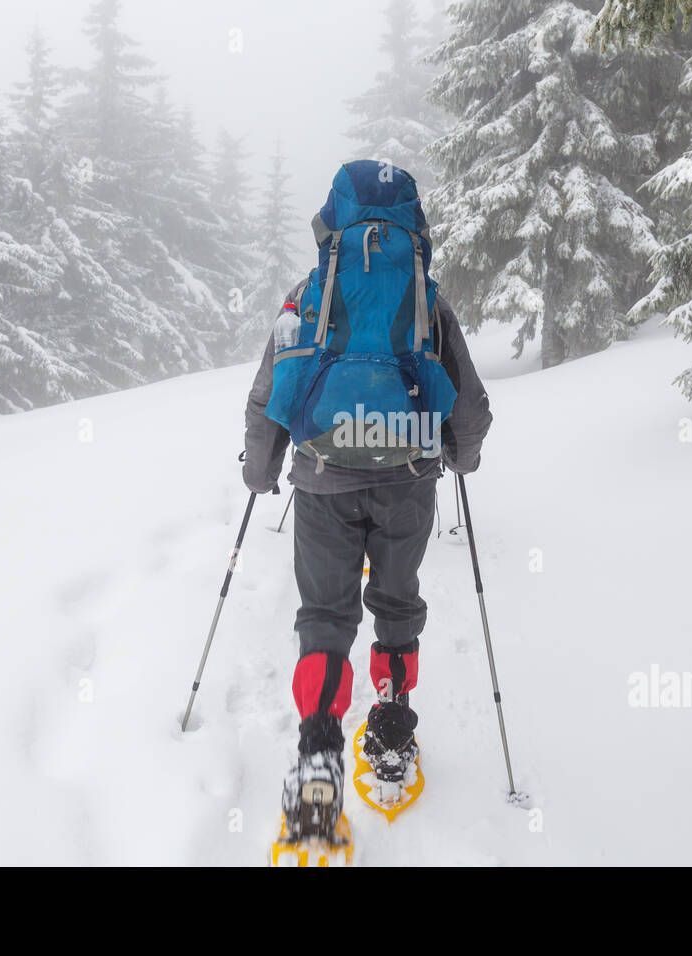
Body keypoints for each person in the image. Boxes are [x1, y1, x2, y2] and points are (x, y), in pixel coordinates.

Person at [243, 160, 491, 843]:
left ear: (333, 226)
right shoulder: (427, 301)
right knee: (396, 600)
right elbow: (468, 404)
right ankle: (389, 726)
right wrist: (460, 457)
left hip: (323, 476)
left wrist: (260, 470)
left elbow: (269, 395)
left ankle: (319, 756)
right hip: (408, 475)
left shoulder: (307, 296)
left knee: (325, 614)